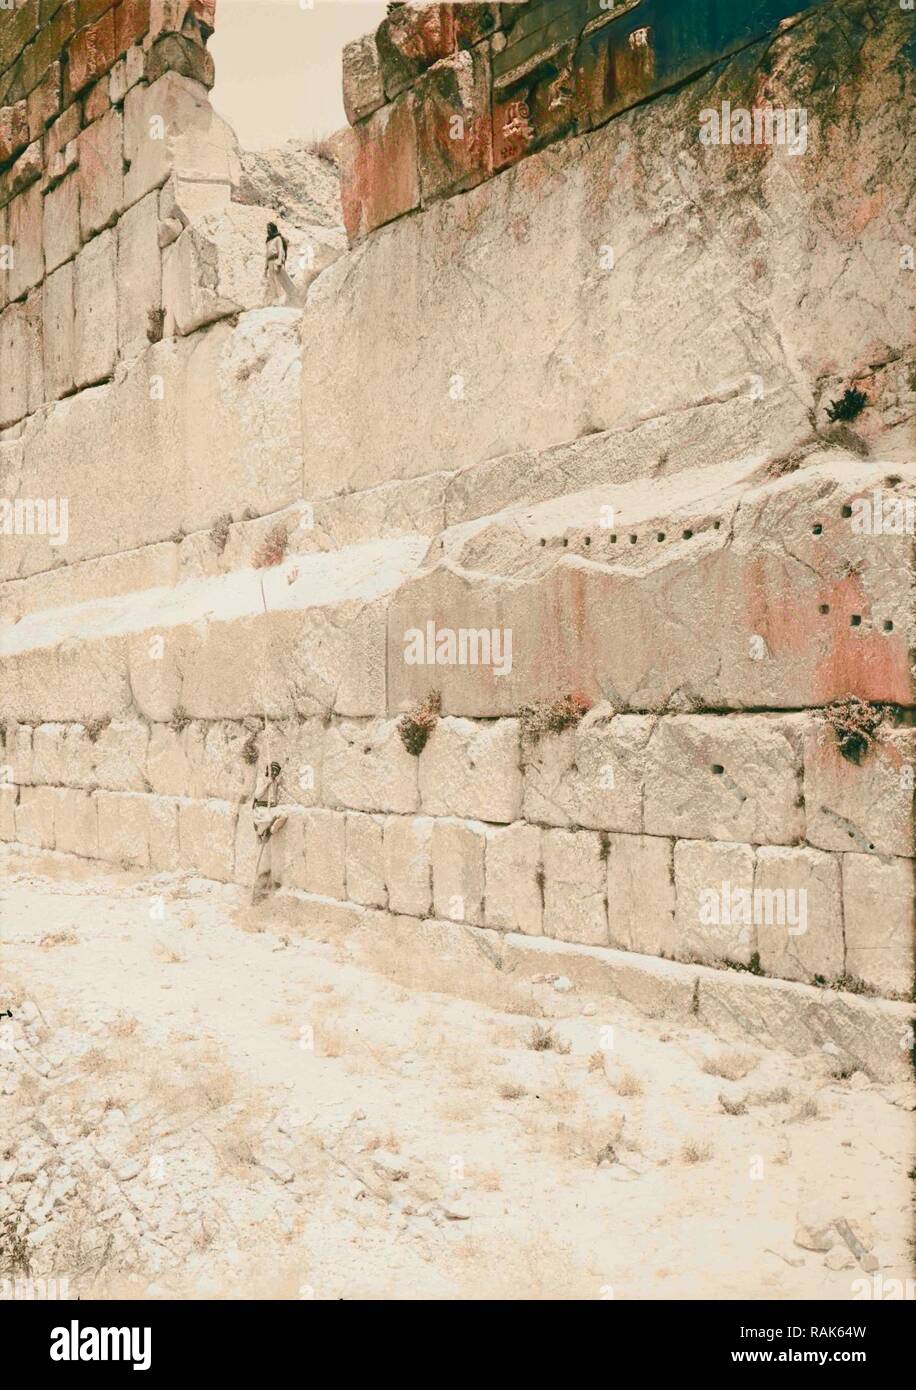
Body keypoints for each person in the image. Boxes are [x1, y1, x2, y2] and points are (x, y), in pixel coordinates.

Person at [251, 761, 288, 904]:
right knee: (260, 846)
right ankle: (263, 833)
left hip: (270, 809)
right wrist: (266, 783)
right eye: (271, 771)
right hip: (261, 810)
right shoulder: (263, 780)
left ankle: (270, 831)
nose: (273, 774)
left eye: (275, 772)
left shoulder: (275, 783)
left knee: (283, 815)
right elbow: (258, 794)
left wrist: (275, 782)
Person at [264, 221, 296, 306]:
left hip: (275, 261)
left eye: (270, 228)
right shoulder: (268, 241)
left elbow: (280, 250)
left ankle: (282, 301)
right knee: (272, 281)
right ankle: (275, 300)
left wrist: (279, 261)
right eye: (267, 229)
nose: (268, 230)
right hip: (270, 261)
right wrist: (265, 267)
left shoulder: (278, 238)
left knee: (279, 281)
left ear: (273, 229)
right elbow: (267, 254)